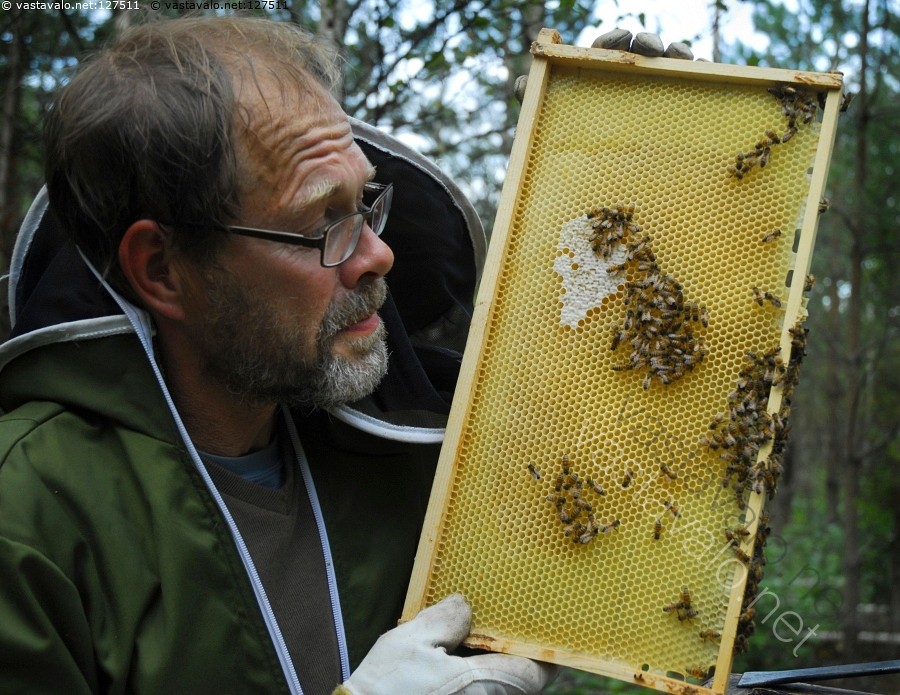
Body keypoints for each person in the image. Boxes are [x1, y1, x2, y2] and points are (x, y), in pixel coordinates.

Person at [0, 16, 690, 694]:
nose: (377, 255)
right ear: (163, 270)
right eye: (322, 222)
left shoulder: (403, 451)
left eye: (365, 203)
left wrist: (638, 168)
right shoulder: (26, 521)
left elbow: (603, 473)